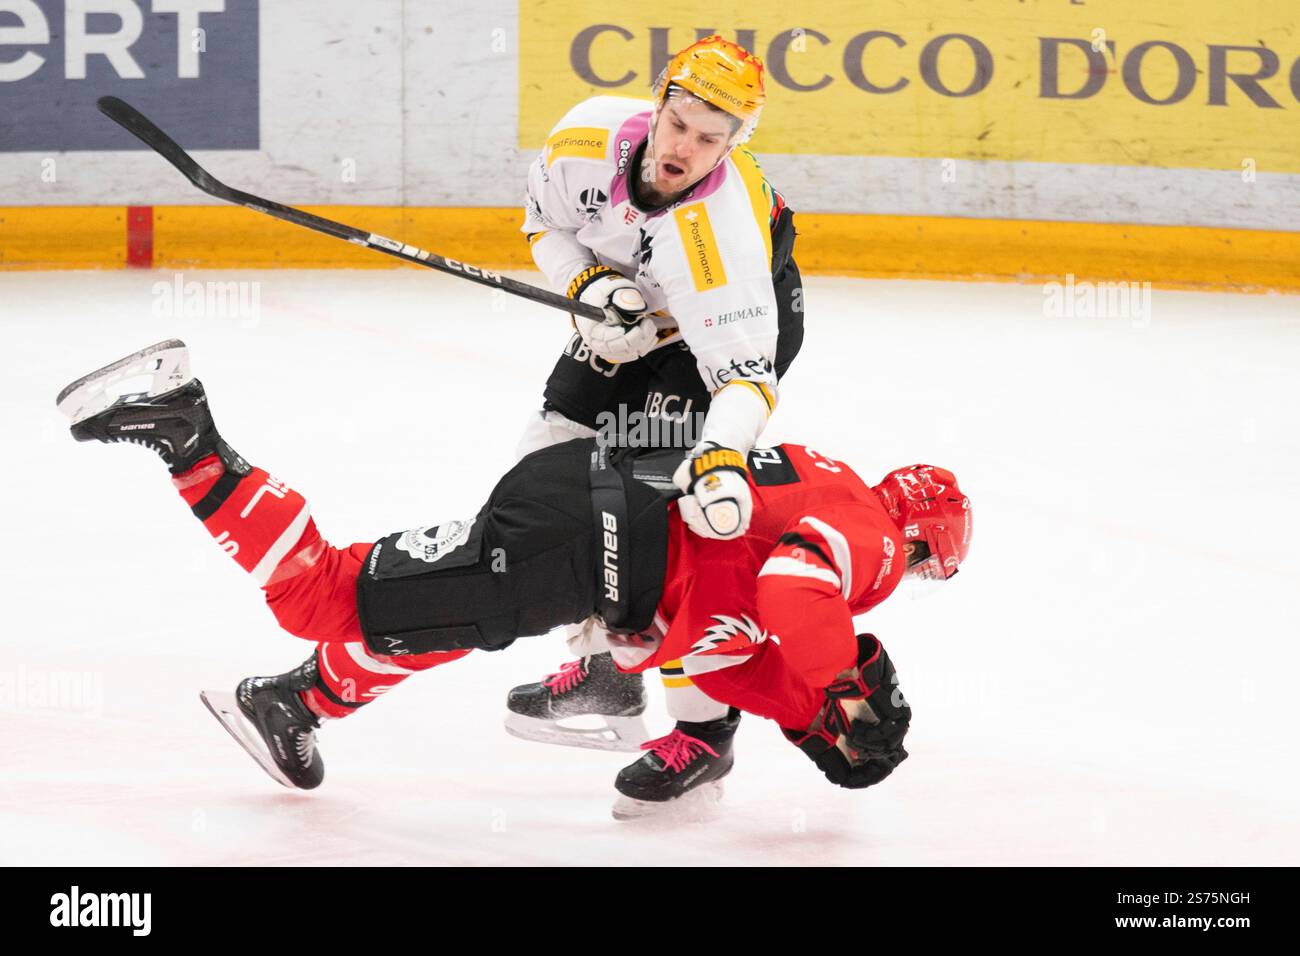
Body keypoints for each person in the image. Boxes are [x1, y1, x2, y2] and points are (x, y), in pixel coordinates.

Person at [56, 340, 971, 816]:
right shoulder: (876, 544)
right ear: (922, 541)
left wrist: (800, 705)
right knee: (322, 598)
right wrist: (832, 674)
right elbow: (792, 592)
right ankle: (185, 427)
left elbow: (720, 642)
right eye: (929, 563)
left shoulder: (833, 476)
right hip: (576, 544)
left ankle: (298, 704)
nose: (912, 577)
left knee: (435, 622)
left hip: (583, 511)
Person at [508, 34, 805, 788]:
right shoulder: (583, 139)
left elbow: (746, 377)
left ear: (733, 145)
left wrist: (718, 456)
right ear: (658, 104)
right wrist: (586, 291)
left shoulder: (721, 241)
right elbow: (545, 227)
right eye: (678, 124)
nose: (685, 148)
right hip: (632, 299)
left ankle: (706, 733)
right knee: (547, 459)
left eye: (711, 140)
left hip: (723, 331)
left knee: (658, 514)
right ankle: (608, 673)